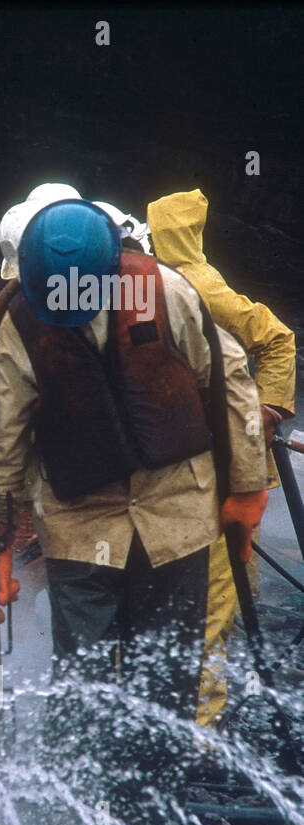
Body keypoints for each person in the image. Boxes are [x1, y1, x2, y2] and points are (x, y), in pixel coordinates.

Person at [0, 200, 267, 825]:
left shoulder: (165, 292)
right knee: (82, 681)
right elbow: (2, 442)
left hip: (178, 515)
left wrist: (247, 491)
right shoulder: (19, 321)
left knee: (167, 679)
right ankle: (78, 822)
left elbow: (229, 381)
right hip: (81, 525)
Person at [148, 187, 296, 727]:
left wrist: (269, 409)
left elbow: (277, 338)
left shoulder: (201, 287)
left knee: (218, 591)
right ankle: (226, 696)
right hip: (201, 458)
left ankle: (206, 724)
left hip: (221, 463)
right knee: (229, 585)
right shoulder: (166, 286)